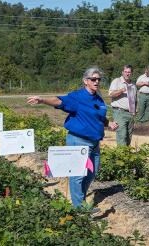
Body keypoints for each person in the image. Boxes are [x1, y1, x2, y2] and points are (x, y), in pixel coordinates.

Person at [26, 67, 118, 208]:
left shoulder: (98, 99)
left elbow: (99, 117)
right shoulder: (78, 97)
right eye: (93, 79)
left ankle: (80, 200)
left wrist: (108, 123)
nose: (97, 81)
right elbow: (60, 101)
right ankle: (79, 208)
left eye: (99, 79)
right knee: (78, 175)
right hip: (79, 140)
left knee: (92, 173)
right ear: (85, 81)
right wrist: (42, 100)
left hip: (94, 142)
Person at [108, 65, 137, 146]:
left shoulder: (133, 85)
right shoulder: (116, 81)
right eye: (126, 72)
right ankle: (121, 156)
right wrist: (121, 90)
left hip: (130, 114)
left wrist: (134, 111)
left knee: (128, 137)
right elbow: (111, 94)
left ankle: (126, 156)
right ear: (122, 72)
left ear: (131, 73)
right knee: (122, 136)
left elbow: (135, 100)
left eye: (129, 72)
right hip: (119, 112)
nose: (127, 74)